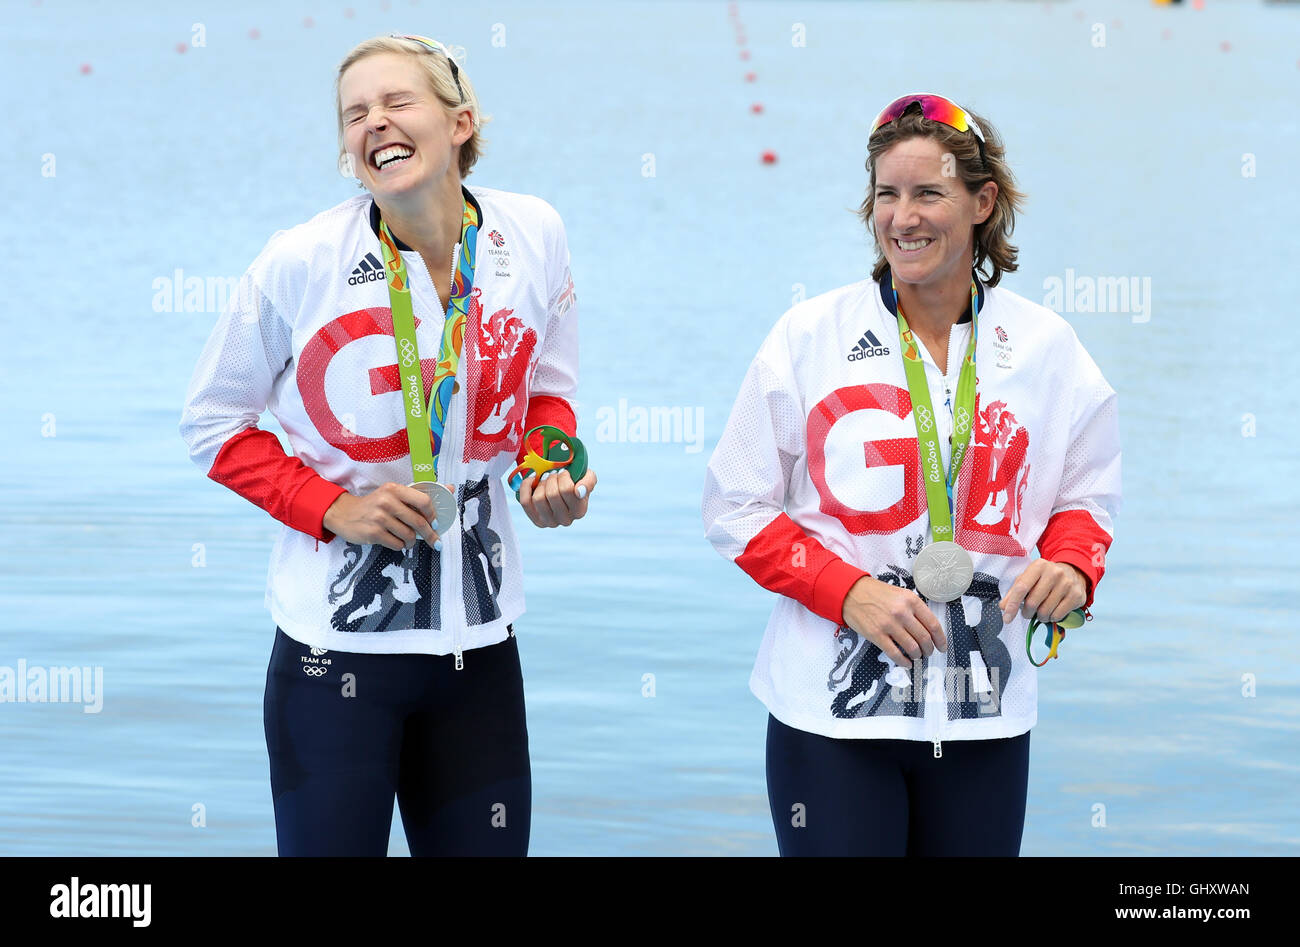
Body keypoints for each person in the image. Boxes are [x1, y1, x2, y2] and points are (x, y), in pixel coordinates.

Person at [180, 34, 596, 856]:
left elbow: (548, 387)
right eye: (354, 113)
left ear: (461, 123)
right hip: (334, 662)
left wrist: (552, 471)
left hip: (477, 652)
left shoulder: (534, 233)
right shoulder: (300, 261)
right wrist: (335, 508)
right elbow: (213, 423)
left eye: (395, 102)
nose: (374, 123)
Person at [702, 94, 1121, 856]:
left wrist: (1072, 563)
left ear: (982, 201)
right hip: (831, 720)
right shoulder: (809, 336)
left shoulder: (1046, 347)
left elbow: (1086, 494)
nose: (903, 217)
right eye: (886, 195)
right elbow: (736, 507)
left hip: (983, 717)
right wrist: (848, 591)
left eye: (928, 193)